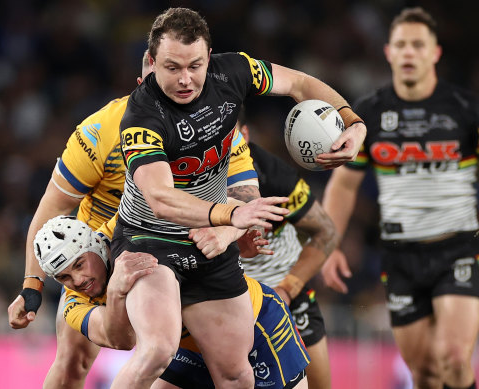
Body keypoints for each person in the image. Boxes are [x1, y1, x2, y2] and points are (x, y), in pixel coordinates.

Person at [112, 7, 366, 388]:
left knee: (237, 375)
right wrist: (229, 216)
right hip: (151, 241)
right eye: (171, 67)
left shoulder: (233, 72)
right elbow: (161, 198)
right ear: (151, 62)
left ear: (209, 57)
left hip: (210, 253)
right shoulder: (140, 117)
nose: (185, 79)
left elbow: (299, 83)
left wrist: (353, 122)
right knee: (157, 350)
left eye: (195, 65)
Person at [7, 51, 260, 388]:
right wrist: (32, 287)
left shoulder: (215, 123)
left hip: (176, 242)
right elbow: (50, 212)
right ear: (141, 87)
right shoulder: (98, 135)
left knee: (197, 355)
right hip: (97, 248)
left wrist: (230, 235)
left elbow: (246, 198)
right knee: (74, 361)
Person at [320, 7, 479, 389]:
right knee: (423, 372)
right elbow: (343, 185)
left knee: (454, 359)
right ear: (389, 52)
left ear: (435, 52)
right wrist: (330, 244)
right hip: (401, 258)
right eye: (402, 45)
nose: (409, 53)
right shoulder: (370, 116)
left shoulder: (464, 111)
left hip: (457, 249)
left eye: (418, 45)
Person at [35, 214, 310, 389]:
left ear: (94, 244)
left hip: (254, 326)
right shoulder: (73, 303)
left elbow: (212, 205)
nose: (79, 280)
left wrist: (231, 236)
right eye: (64, 277)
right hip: (186, 349)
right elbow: (121, 340)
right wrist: (117, 292)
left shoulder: (128, 222)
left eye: (80, 264)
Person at [234, 110, 337, 389]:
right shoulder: (189, 174)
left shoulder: (275, 175)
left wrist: (288, 288)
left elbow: (326, 231)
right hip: (228, 297)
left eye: (229, 136)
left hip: (284, 292)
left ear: (244, 135)